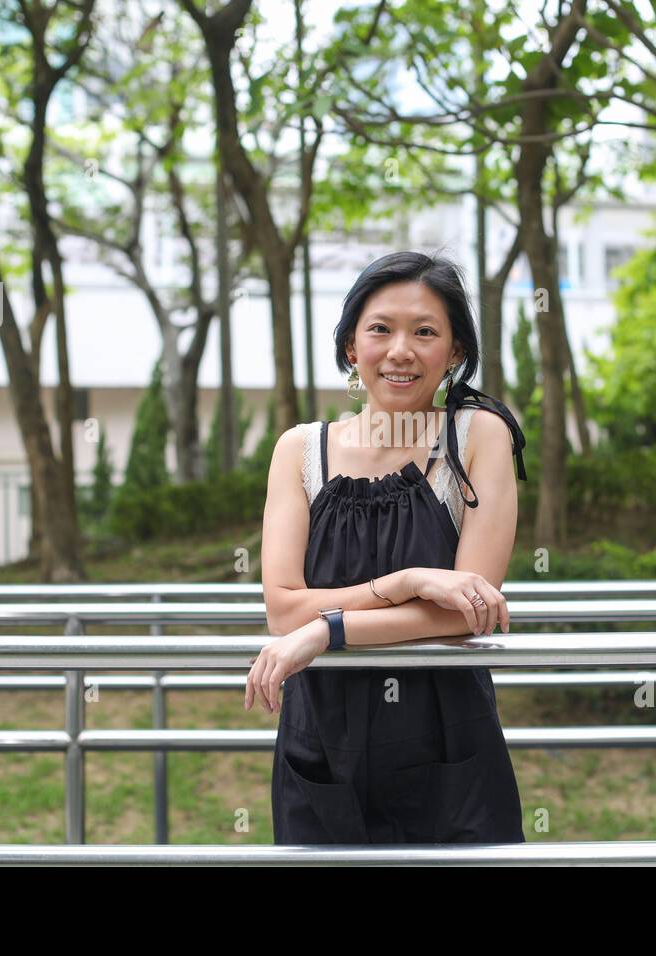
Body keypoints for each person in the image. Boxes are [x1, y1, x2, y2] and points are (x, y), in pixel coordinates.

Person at [252, 250, 529, 845]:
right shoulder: (299, 451)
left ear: (455, 352)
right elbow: (283, 610)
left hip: (448, 739)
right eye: (380, 329)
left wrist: (329, 629)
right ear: (352, 345)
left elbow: (466, 613)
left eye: (425, 332)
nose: (400, 350)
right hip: (320, 740)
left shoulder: (478, 437)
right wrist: (407, 583)